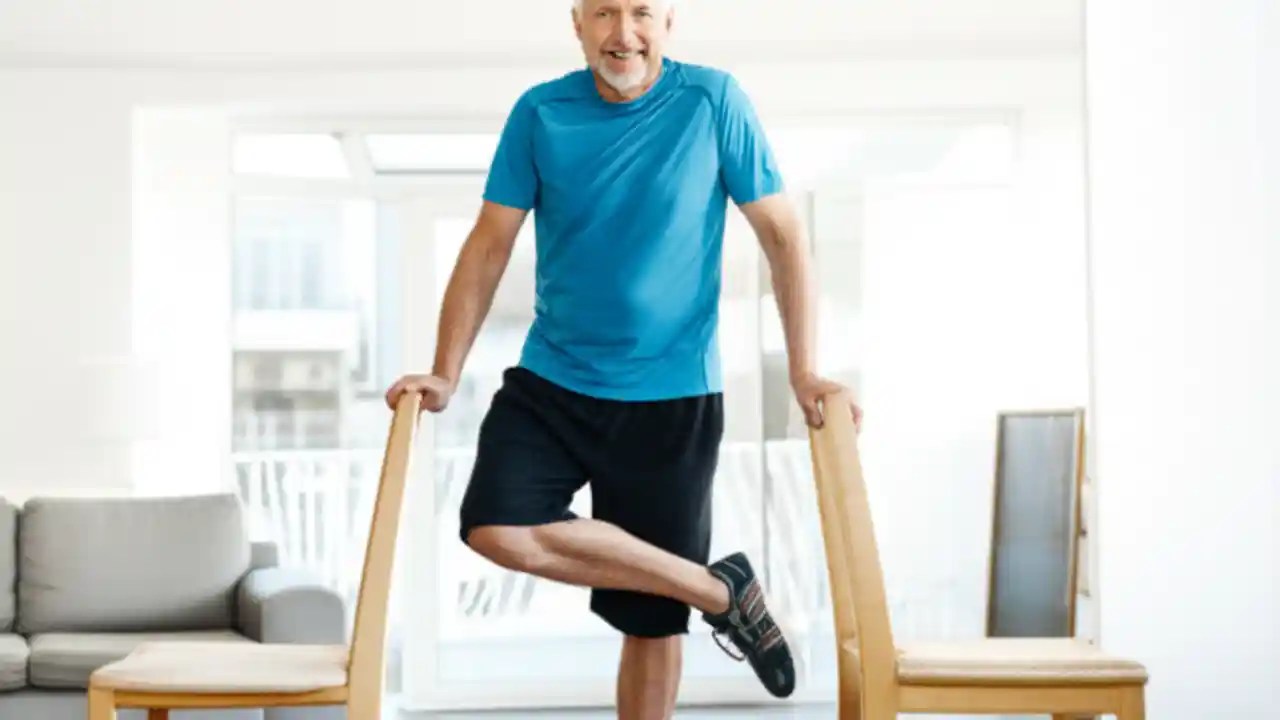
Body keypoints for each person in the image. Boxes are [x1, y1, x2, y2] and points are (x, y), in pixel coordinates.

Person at [385, 0, 863, 716]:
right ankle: (717, 589)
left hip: (673, 394)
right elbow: (489, 244)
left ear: (670, 22)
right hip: (554, 380)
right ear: (575, 22)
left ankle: (698, 592)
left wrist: (803, 369)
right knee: (493, 523)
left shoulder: (713, 100)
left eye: (642, 11)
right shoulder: (539, 113)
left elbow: (785, 237)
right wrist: (444, 371)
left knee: (650, 621)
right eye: (604, 12)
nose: (624, 32)